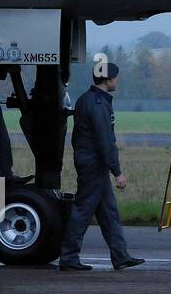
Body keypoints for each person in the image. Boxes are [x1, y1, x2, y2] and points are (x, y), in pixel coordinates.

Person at [58, 63, 144, 272]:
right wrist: (117, 172)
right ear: (107, 80)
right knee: (83, 210)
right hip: (94, 164)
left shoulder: (87, 99)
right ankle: (68, 257)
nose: (117, 81)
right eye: (115, 78)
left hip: (90, 161)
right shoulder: (97, 104)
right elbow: (105, 140)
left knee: (109, 212)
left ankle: (121, 256)